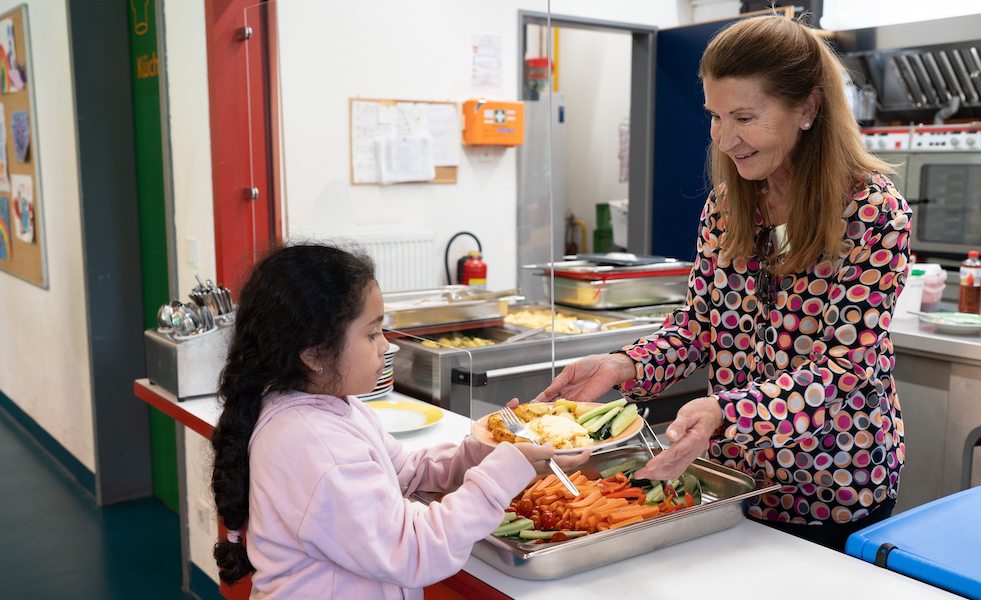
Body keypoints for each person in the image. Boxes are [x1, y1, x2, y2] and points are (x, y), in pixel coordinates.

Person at [532, 15, 910, 552]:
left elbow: (846, 369)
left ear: (808, 108)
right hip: (732, 479)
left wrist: (727, 412)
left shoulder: (873, 213)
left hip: (832, 484)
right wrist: (624, 365)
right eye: (715, 116)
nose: (725, 138)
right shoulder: (729, 206)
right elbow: (701, 326)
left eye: (745, 117)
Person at [210, 243, 588, 598]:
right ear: (314, 353)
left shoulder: (336, 406)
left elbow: (402, 471)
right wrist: (505, 471)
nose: (386, 345)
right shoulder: (313, 445)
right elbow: (414, 550)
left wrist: (486, 449)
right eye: (372, 333)